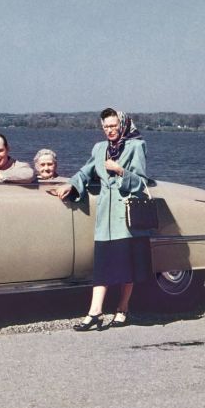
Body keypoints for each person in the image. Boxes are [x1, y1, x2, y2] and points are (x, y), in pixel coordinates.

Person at [54, 108, 152, 330]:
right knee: (103, 266)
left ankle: (123, 308)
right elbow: (85, 172)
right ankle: (95, 312)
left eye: (113, 126)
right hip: (104, 217)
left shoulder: (137, 146)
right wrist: (71, 184)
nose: (109, 131)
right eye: (105, 127)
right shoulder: (99, 149)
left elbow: (142, 182)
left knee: (127, 266)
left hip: (126, 217)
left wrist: (120, 171)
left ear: (123, 124)